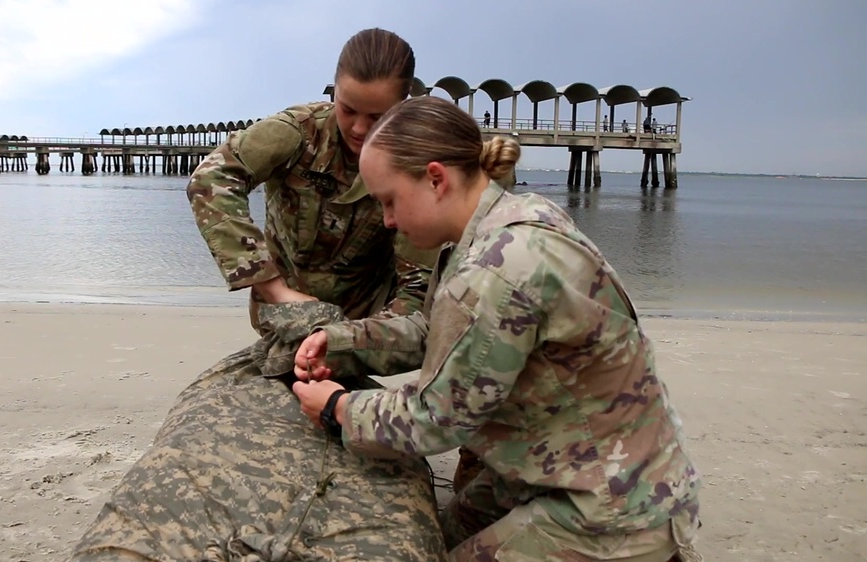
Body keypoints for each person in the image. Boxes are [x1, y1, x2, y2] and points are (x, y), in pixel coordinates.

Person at [290, 96, 703, 561]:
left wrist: (339, 409)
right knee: (432, 536)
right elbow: (441, 337)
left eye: (389, 201)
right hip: (560, 464)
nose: (387, 220)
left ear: (435, 179)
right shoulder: (505, 225)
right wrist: (343, 342)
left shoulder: (497, 269)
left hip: (608, 505)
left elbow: (436, 419)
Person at [186, 28, 438, 333]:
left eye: (377, 116)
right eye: (348, 109)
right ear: (335, 93)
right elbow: (210, 178)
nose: (359, 128)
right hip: (284, 311)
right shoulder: (296, 133)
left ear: (402, 104)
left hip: (370, 316)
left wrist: (357, 342)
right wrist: (272, 288)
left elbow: (417, 288)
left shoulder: (417, 164)